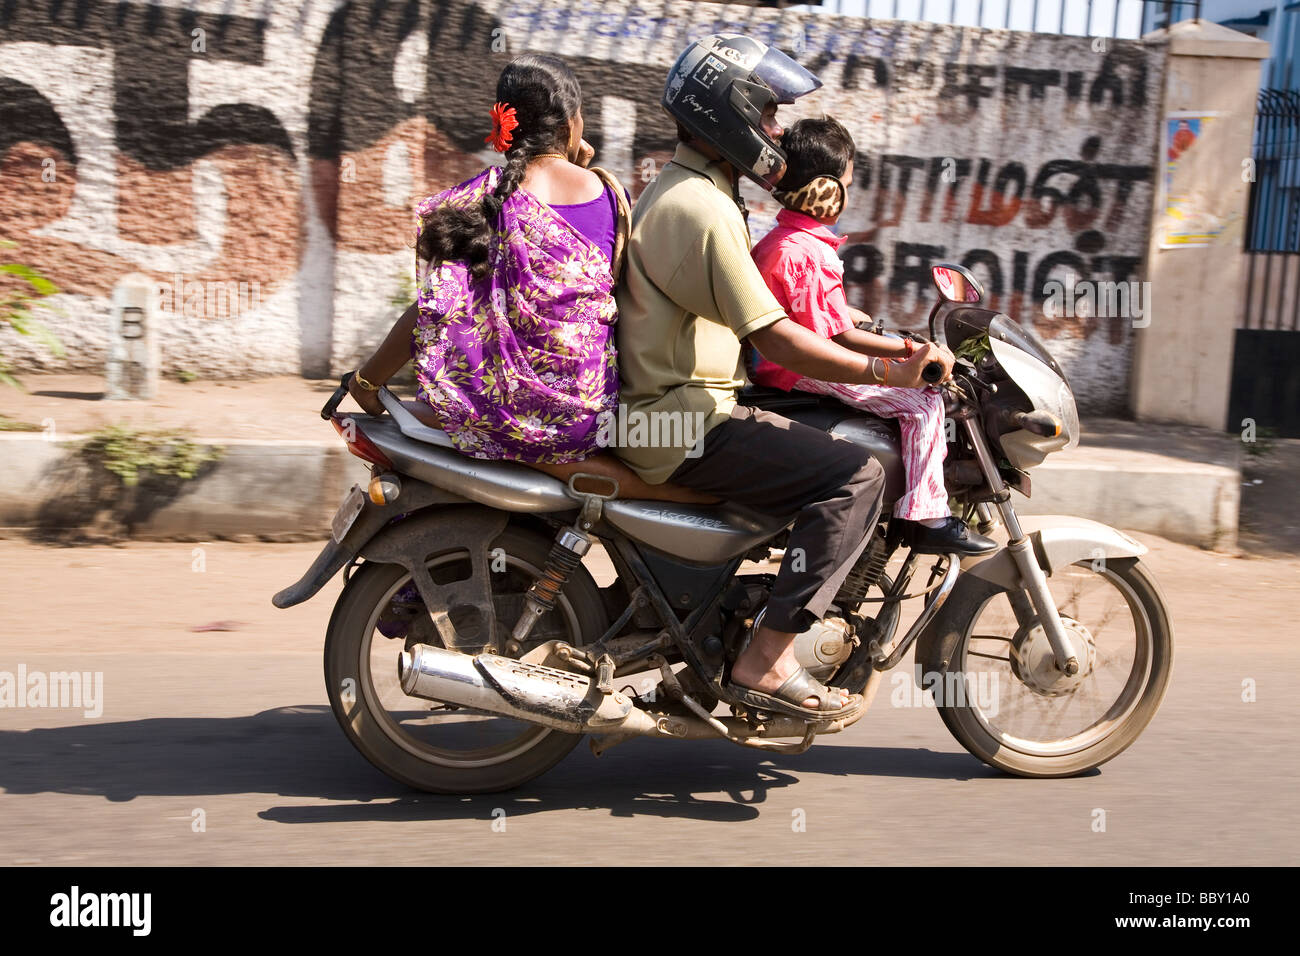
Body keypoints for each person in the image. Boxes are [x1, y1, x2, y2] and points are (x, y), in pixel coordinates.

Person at [615, 34, 954, 720]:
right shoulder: (703, 208)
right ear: (728, 114)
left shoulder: (697, 190)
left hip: (677, 407)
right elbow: (776, 336)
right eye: (767, 115)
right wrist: (887, 367)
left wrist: (881, 343)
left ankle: (721, 634)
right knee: (857, 476)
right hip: (681, 418)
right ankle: (766, 658)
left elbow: (791, 316)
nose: (775, 131)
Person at [347, 54, 625, 467]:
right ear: (571, 123)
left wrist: (366, 382)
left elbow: (434, 307)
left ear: (504, 125)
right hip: (584, 422)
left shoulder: (482, 200)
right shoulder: (607, 196)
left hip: (487, 418)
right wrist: (580, 167)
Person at [751, 116, 997, 556]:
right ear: (827, 190)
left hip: (780, 362)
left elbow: (823, 314)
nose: (849, 193)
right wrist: (910, 358)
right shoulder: (809, 253)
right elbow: (839, 338)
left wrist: (899, 342)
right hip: (795, 369)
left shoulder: (782, 241)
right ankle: (926, 515)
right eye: (846, 183)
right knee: (923, 402)